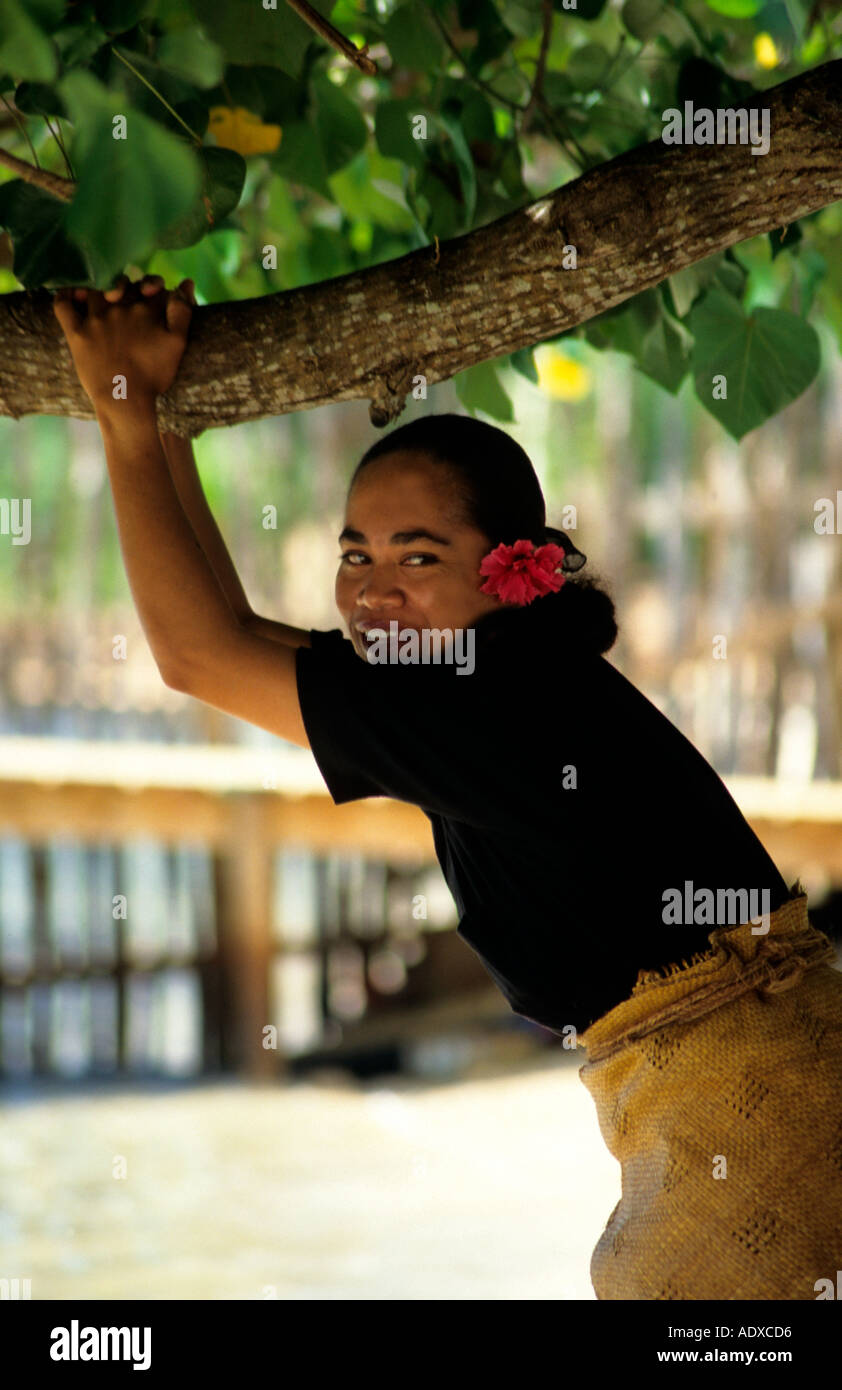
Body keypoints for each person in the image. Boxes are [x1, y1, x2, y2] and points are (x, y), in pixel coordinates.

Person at [54, 275, 842, 1301]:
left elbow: (197, 656)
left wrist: (120, 413)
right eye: (355, 554)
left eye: (416, 556)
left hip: (755, 1107)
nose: (372, 589)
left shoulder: (479, 701)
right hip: (765, 1085)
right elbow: (240, 636)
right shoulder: (484, 674)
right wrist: (162, 424)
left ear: (507, 570)